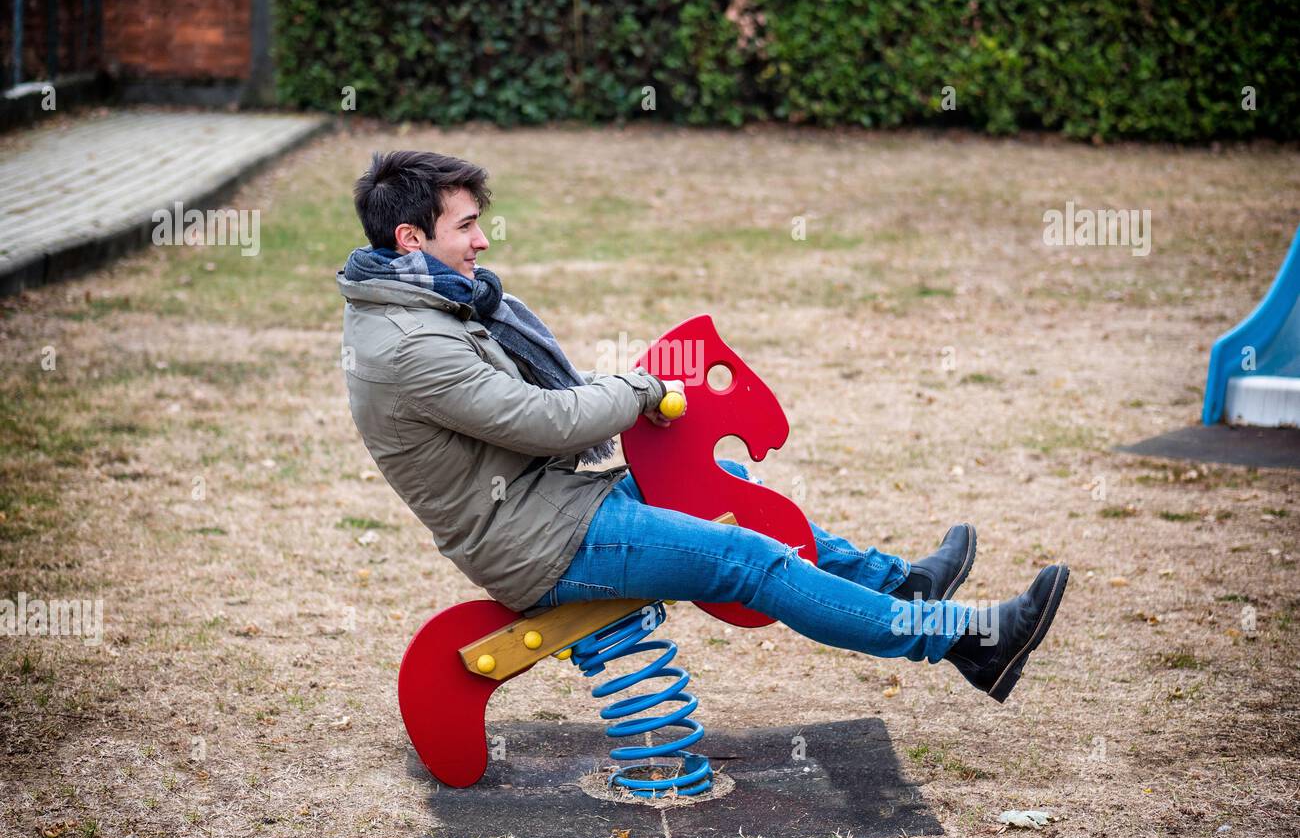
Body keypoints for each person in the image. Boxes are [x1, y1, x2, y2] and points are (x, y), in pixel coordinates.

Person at [337, 150, 1069, 704]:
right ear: (410, 238)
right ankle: (971, 641)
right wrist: (638, 386)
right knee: (747, 560)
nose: (483, 243)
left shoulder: (430, 308)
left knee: (731, 486)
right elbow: (546, 420)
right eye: (466, 227)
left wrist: (627, 394)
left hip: (557, 506)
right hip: (541, 545)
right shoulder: (412, 343)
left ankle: (899, 587)